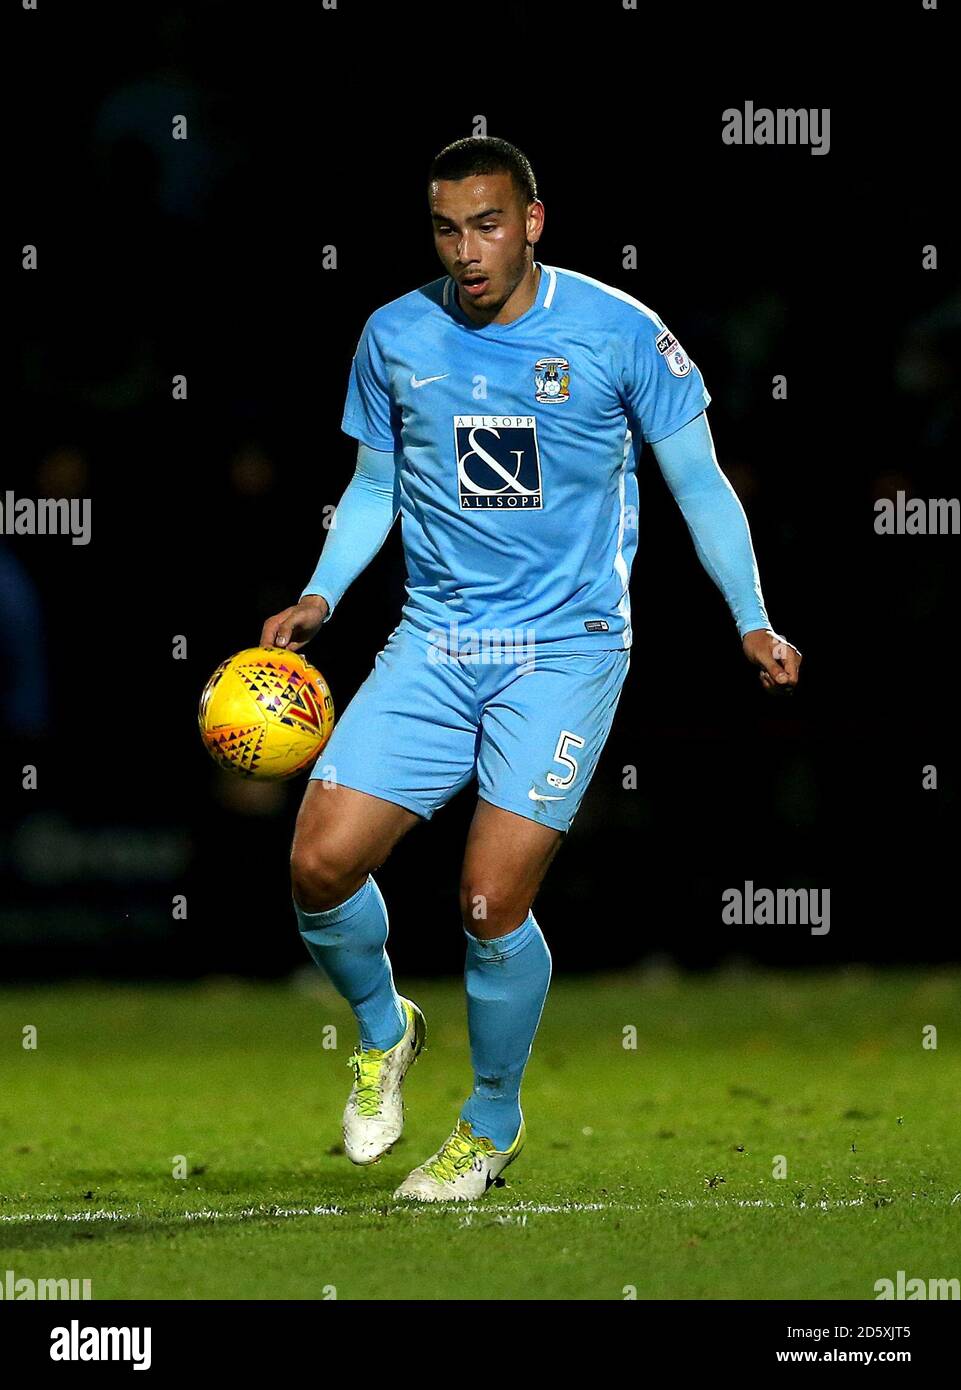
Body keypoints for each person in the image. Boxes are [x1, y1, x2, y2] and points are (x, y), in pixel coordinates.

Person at [261, 136, 802, 1202]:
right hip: (435, 640)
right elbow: (374, 486)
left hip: (564, 651)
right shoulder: (395, 334)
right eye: (447, 228)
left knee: (487, 900)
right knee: (318, 867)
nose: (467, 250)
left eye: (489, 224)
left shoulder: (617, 333)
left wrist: (750, 616)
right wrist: (322, 593)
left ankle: (489, 1123)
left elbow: (697, 480)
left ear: (534, 221)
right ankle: (384, 1032)